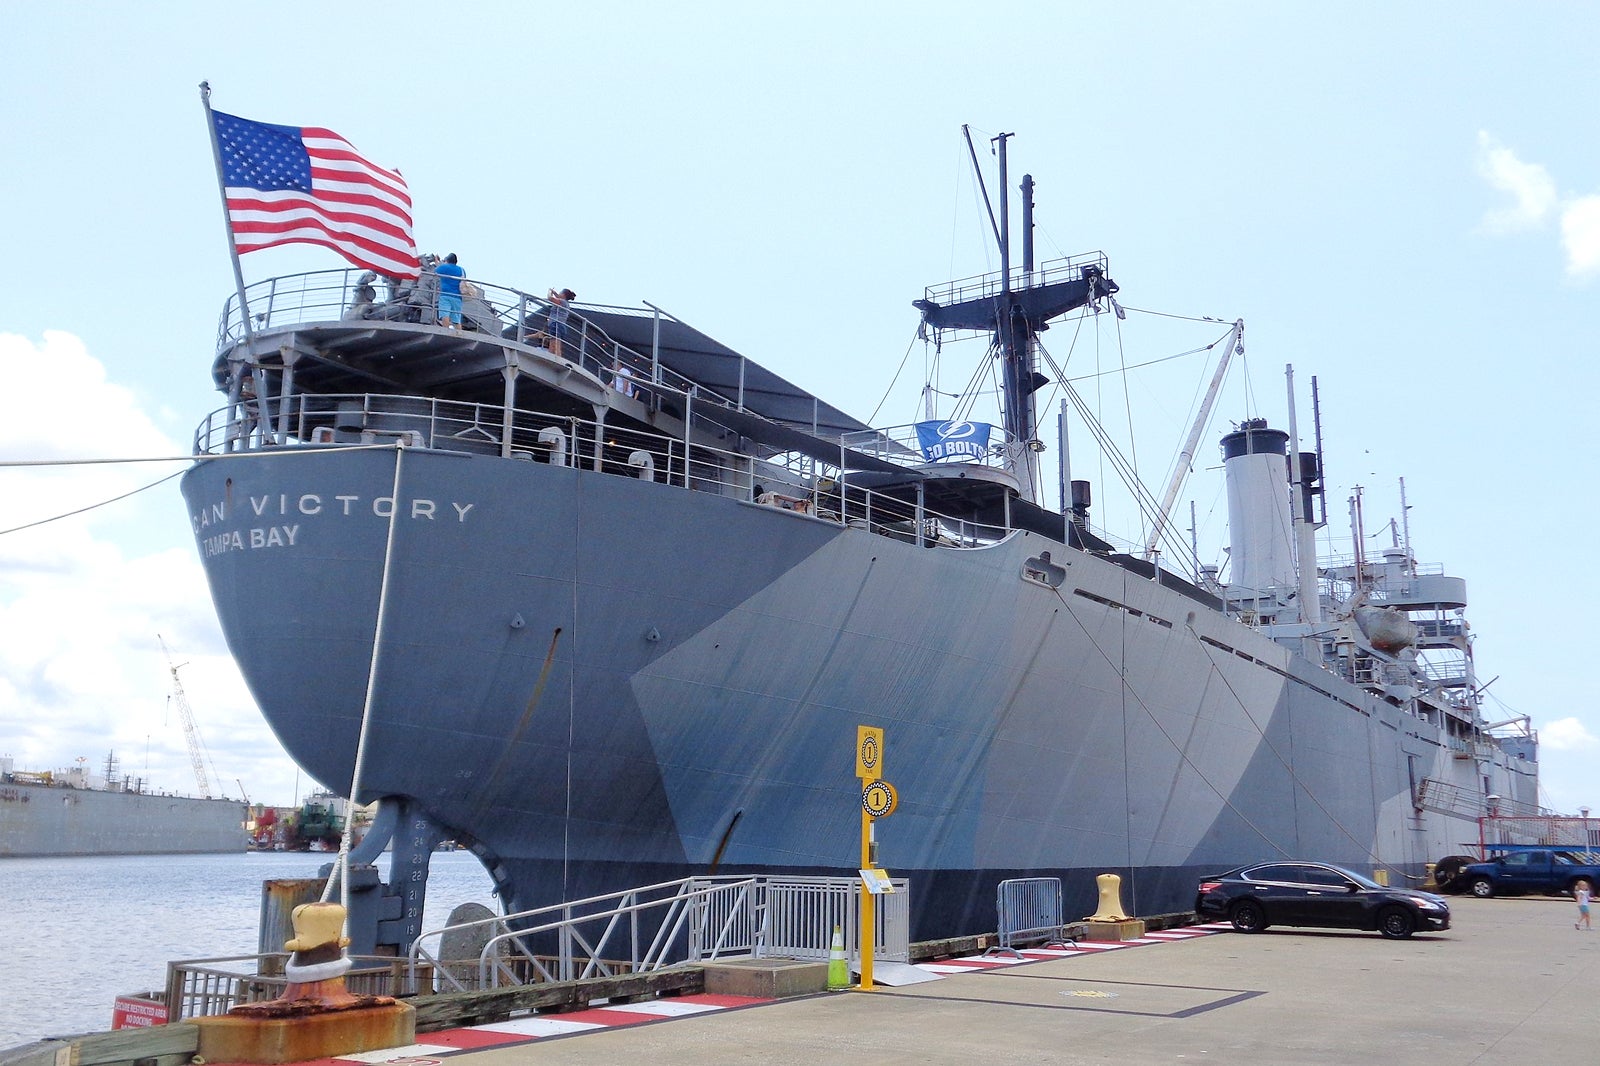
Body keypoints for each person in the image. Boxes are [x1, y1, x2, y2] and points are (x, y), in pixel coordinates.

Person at [435, 253, 465, 329]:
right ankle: (459, 333)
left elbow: (436, 270)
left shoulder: (444, 267)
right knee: (456, 319)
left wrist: (437, 261)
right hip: (458, 297)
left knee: (445, 314)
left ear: (447, 260)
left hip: (445, 295)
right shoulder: (461, 270)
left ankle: (446, 330)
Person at [547, 287, 576, 357]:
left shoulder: (562, 302)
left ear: (563, 295)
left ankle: (556, 359)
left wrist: (549, 292)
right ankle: (552, 357)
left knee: (555, 345)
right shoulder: (565, 303)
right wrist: (554, 292)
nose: (558, 294)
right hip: (559, 324)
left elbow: (550, 298)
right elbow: (557, 296)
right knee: (554, 343)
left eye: (560, 292)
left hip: (556, 324)